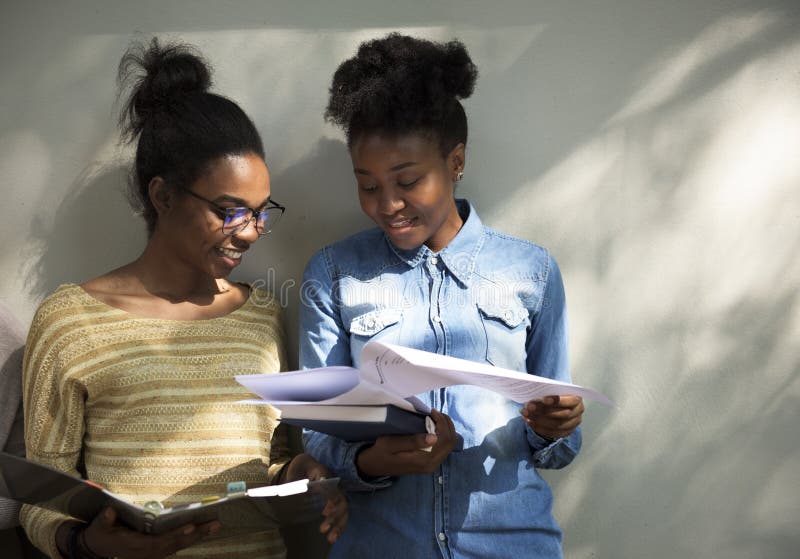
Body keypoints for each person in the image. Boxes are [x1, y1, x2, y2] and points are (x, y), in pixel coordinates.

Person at [20, 39, 346, 559]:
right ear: (163, 195)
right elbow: (39, 497)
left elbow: (269, 463)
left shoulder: (260, 313)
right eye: (230, 210)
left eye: (261, 212)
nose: (251, 232)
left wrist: (298, 476)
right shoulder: (69, 322)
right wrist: (84, 543)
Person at [299, 33, 584, 558]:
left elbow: (559, 449)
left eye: (407, 180)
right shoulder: (333, 273)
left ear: (455, 162)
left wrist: (556, 425)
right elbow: (316, 435)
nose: (387, 205)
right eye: (367, 185)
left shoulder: (532, 271)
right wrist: (372, 462)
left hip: (514, 544)